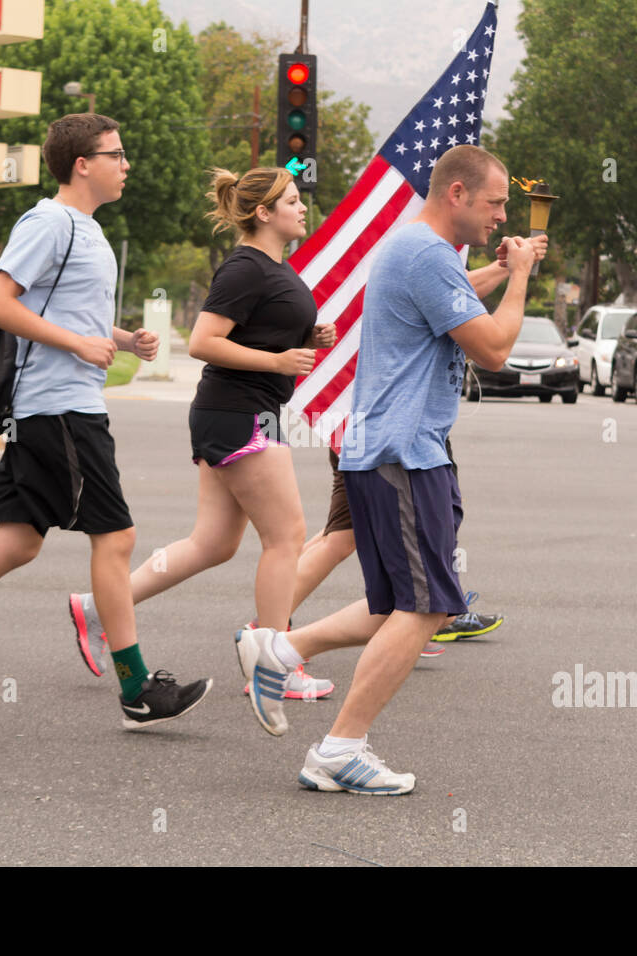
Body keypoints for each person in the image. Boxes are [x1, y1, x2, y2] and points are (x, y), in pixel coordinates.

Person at [0, 113, 211, 727]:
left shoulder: (88, 230)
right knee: (117, 538)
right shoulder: (50, 221)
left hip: (56, 407)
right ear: (83, 164)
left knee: (17, 542)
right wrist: (78, 347)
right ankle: (135, 689)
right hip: (61, 409)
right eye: (117, 153)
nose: (126, 164)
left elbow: (63, 312)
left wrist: (119, 339)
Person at [234, 145, 548, 793]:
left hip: (391, 450)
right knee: (427, 606)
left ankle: (281, 650)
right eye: (494, 203)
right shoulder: (428, 254)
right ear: (456, 195)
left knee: (400, 605)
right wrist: (518, 278)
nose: (501, 216)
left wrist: (496, 271)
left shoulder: (417, 252)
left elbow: (454, 301)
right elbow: (492, 349)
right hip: (403, 454)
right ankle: (339, 749)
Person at [67, 166, 336, 699]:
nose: (303, 207)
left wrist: (307, 335)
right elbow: (204, 341)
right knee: (286, 538)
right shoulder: (244, 268)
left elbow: (257, 329)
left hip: (235, 410)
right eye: (292, 200)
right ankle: (275, 666)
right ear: (263, 213)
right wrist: (278, 360)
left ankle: (98, 606)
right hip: (241, 412)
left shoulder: (271, 266)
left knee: (212, 543)